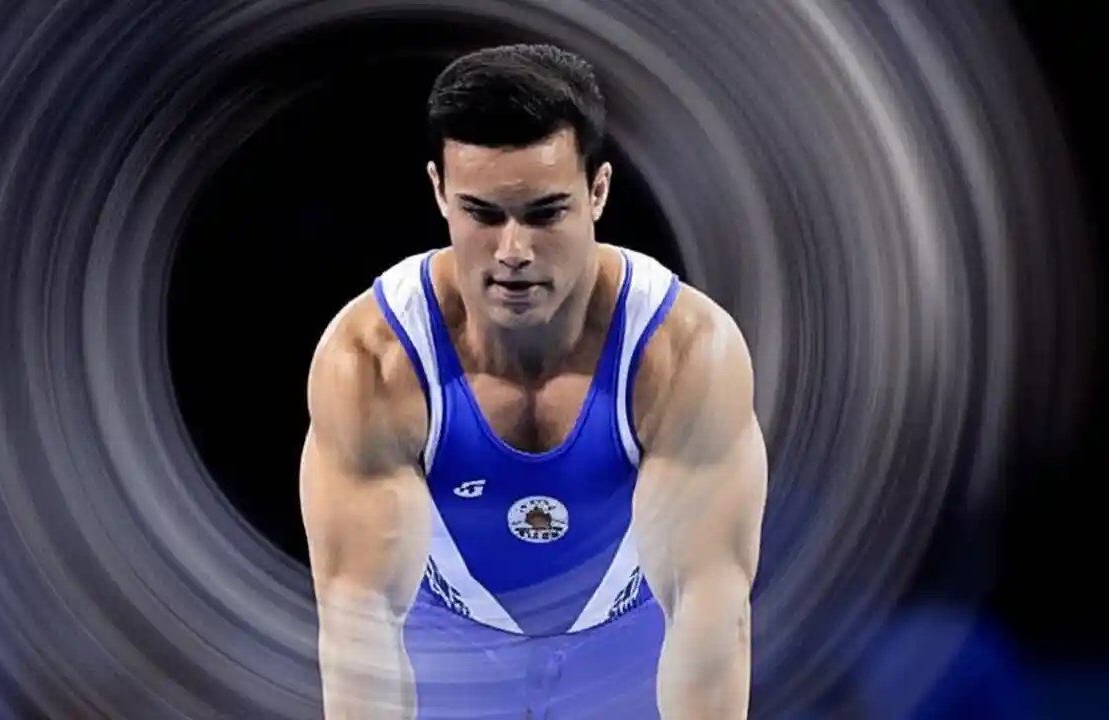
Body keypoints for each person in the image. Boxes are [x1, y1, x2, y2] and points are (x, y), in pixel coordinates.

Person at [300, 43, 768, 719]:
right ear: (438, 191)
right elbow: (359, 624)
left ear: (597, 191)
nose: (513, 253)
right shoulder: (374, 361)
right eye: (482, 214)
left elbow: (710, 614)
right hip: (451, 661)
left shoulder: (684, 353)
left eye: (546, 213)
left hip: (626, 655)